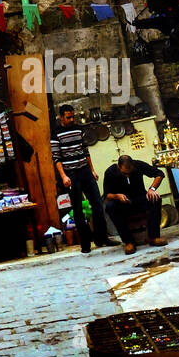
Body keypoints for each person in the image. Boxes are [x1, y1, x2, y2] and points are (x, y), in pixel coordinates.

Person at [51, 104, 114, 253]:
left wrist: (92, 170)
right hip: (71, 175)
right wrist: (64, 176)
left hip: (85, 171)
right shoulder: (55, 133)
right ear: (61, 117)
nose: (72, 119)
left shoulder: (79, 129)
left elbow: (85, 151)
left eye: (73, 116)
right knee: (78, 210)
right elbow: (56, 158)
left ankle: (101, 238)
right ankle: (86, 243)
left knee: (98, 205)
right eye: (68, 117)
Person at [103, 154, 167, 254]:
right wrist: (118, 196)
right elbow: (107, 195)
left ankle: (153, 237)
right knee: (110, 207)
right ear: (119, 167)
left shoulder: (138, 165)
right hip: (123, 202)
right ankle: (128, 242)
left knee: (156, 199)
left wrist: (152, 189)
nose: (127, 175)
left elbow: (159, 174)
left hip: (140, 198)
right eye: (125, 173)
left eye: (130, 172)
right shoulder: (110, 172)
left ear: (133, 165)